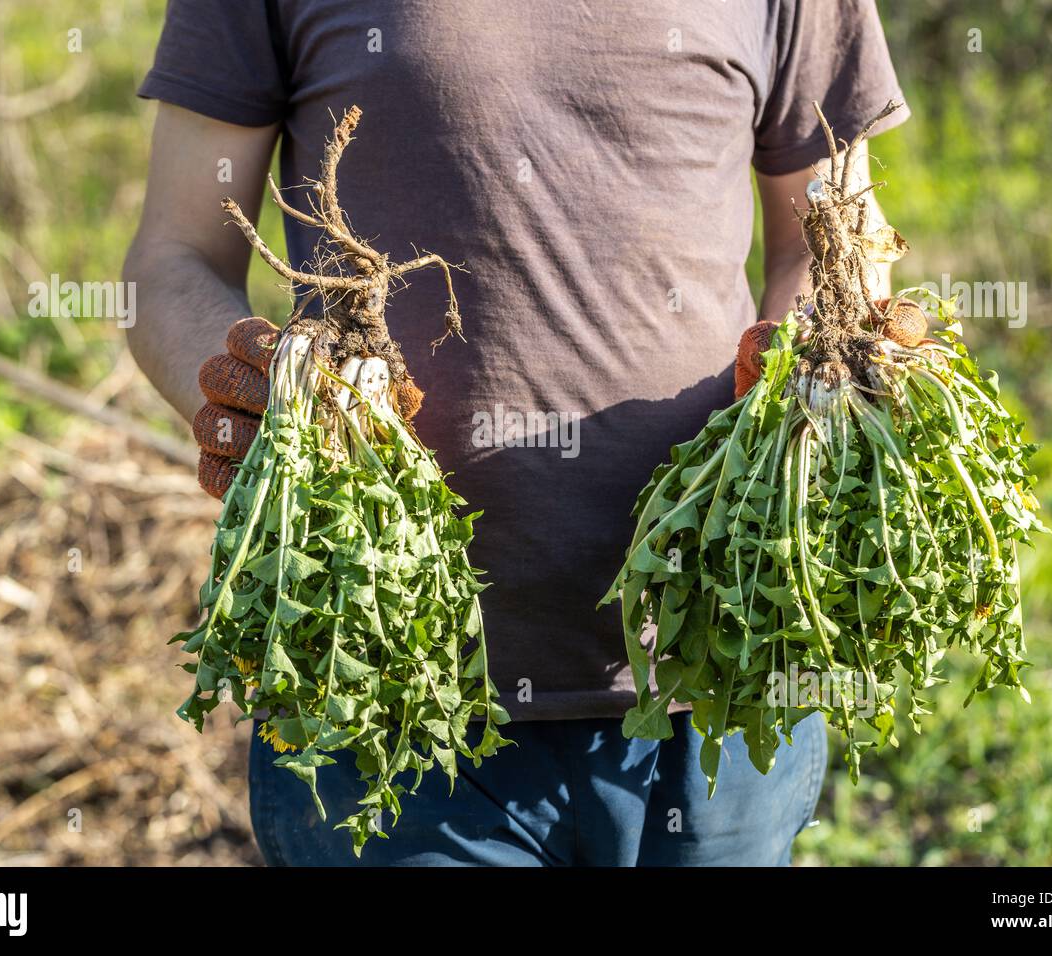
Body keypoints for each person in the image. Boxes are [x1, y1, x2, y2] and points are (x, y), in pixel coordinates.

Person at [124, 0, 908, 866]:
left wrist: (813, 367)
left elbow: (829, 233)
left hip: (724, 675)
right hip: (386, 693)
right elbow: (174, 260)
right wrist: (262, 388)